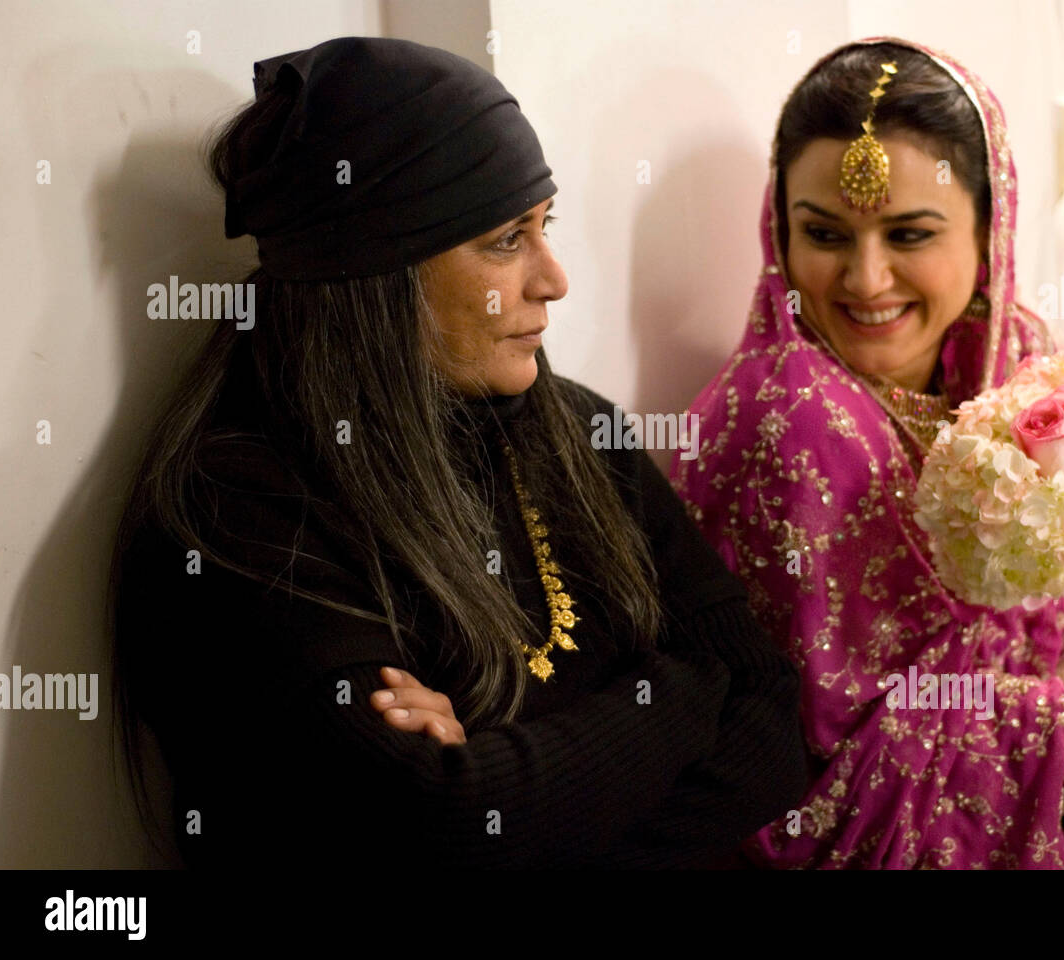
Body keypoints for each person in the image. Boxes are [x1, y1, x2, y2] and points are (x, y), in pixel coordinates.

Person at [109, 36, 807, 870]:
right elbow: (440, 821)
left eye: (544, 228)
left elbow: (770, 712)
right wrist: (686, 692)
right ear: (375, 273)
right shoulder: (235, 515)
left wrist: (526, 789)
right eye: (506, 241)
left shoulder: (577, 431)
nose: (554, 279)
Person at [671, 36, 1064, 869]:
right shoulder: (789, 409)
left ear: (989, 231)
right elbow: (834, 785)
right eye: (824, 234)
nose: (865, 279)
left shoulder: (1016, 367)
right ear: (778, 231)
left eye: (909, 233)